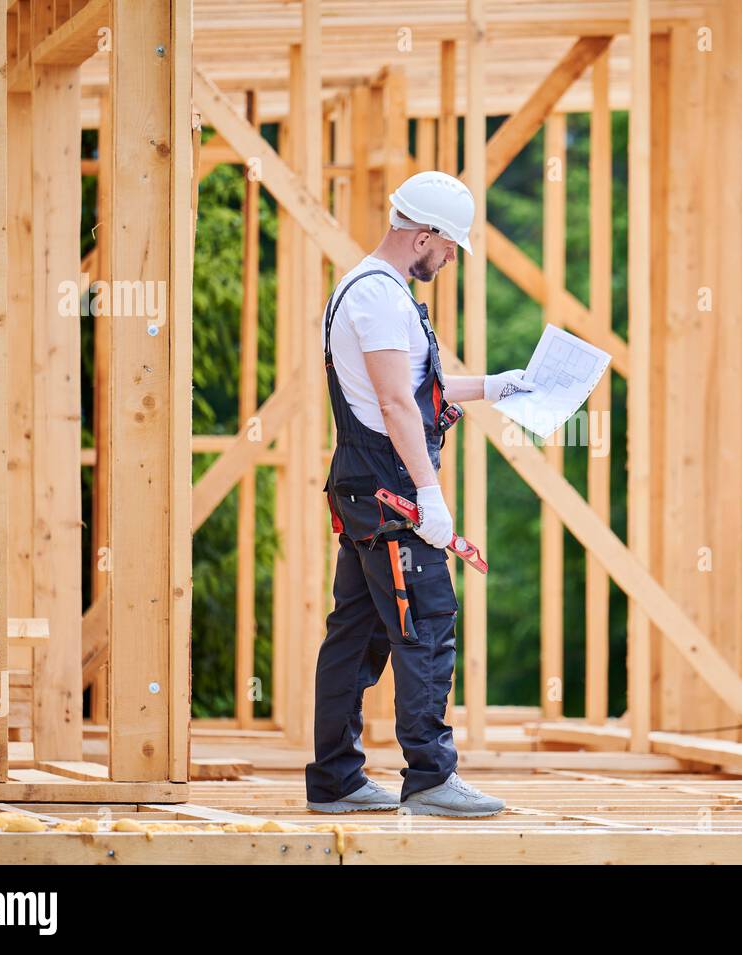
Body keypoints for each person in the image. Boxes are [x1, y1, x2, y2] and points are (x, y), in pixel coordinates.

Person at [304, 171, 531, 817]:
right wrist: (429, 499)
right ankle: (430, 776)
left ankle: (336, 778)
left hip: (367, 483)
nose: (452, 257)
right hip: (389, 489)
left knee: (358, 629)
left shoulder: (374, 288)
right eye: (450, 245)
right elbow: (395, 403)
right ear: (423, 235)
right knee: (427, 622)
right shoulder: (378, 296)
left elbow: (415, 388)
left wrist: (492, 385)